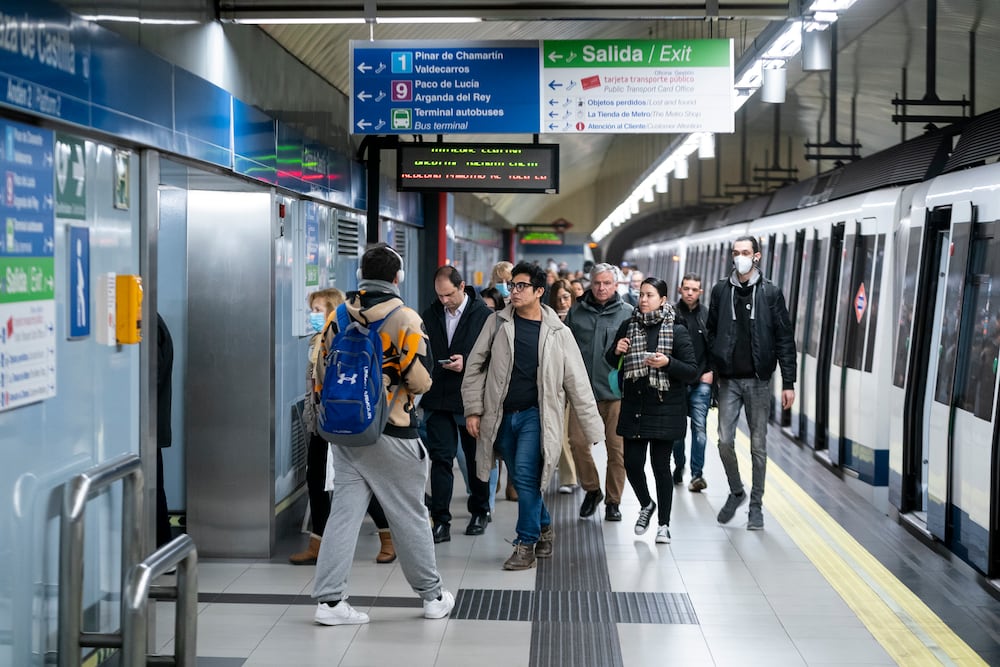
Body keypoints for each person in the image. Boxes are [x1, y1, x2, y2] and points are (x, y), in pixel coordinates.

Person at [312, 244, 454, 625]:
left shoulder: (339, 314)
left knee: (343, 515)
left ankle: (329, 603)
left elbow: (321, 369)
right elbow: (421, 380)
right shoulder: (404, 317)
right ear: (397, 277)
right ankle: (433, 596)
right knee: (410, 514)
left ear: (362, 274)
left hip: (345, 433)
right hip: (392, 431)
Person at [463, 262, 604, 571]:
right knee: (523, 479)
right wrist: (473, 409)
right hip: (501, 417)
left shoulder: (557, 332)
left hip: (535, 418)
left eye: (520, 286)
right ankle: (544, 527)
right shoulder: (497, 323)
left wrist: (593, 428)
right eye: (512, 285)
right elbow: (474, 367)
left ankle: (525, 544)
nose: (513, 291)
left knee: (526, 477)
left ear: (539, 291)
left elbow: (577, 381)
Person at [290, 289, 399, 566]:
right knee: (316, 481)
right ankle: (318, 543)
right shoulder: (318, 341)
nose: (313, 315)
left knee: (356, 480)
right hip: (319, 420)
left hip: (337, 420)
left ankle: (388, 536)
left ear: (332, 311)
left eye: (318, 310)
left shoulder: (341, 341)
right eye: (311, 309)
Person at [707, 236, 796, 531]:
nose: (740, 257)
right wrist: (710, 369)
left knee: (759, 447)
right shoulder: (721, 291)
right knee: (724, 442)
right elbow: (710, 332)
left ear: (756, 256)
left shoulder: (770, 293)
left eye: (745, 252)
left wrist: (788, 382)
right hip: (728, 381)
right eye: (735, 253)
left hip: (759, 381)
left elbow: (784, 338)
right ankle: (737, 491)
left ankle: (755, 507)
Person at [607, 278, 698, 543]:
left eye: (649, 295)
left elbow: (691, 370)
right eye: (641, 294)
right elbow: (611, 361)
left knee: (661, 467)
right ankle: (647, 504)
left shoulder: (677, 330)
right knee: (632, 464)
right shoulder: (628, 326)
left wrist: (668, 362)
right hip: (635, 405)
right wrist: (616, 350)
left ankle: (664, 525)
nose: (643, 299)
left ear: (663, 299)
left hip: (666, 407)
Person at [421, 266, 492, 542]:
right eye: (439, 295)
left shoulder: (483, 316)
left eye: (448, 294)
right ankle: (441, 520)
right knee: (441, 459)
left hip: (469, 397)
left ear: (462, 287)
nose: (444, 301)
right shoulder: (430, 315)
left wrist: (466, 362)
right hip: (438, 397)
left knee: (476, 458)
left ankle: (480, 510)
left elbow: (492, 357)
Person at [564, 262, 633, 521]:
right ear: (590, 284)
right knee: (578, 443)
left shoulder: (627, 313)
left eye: (607, 283)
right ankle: (592, 489)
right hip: (583, 393)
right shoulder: (576, 313)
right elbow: (565, 349)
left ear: (616, 285)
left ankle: (613, 502)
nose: (602, 288)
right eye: (597, 283)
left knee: (617, 451)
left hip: (616, 394)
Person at [675, 273, 713, 492]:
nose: (690, 292)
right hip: (678, 382)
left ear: (700, 292)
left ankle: (697, 475)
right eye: (686, 288)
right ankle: (678, 467)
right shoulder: (671, 313)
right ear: (680, 289)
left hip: (701, 381)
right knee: (678, 432)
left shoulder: (707, 316)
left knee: (700, 429)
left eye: (694, 289)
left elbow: (715, 347)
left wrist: (711, 372)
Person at [548, 280, 579, 494]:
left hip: (574, 384)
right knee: (557, 433)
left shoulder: (578, 320)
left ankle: (570, 477)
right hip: (552, 383)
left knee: (570, 435)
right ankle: (569, 476)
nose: (562, 302)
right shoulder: (545, 319)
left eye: (566, 297)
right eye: (558, 298)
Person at [155, 313, 174, 548]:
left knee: (152, 490)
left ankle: (160, 547)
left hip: (145, 426)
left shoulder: (149, 324)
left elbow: (150, 375)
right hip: (147, 425)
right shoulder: (153, 321)